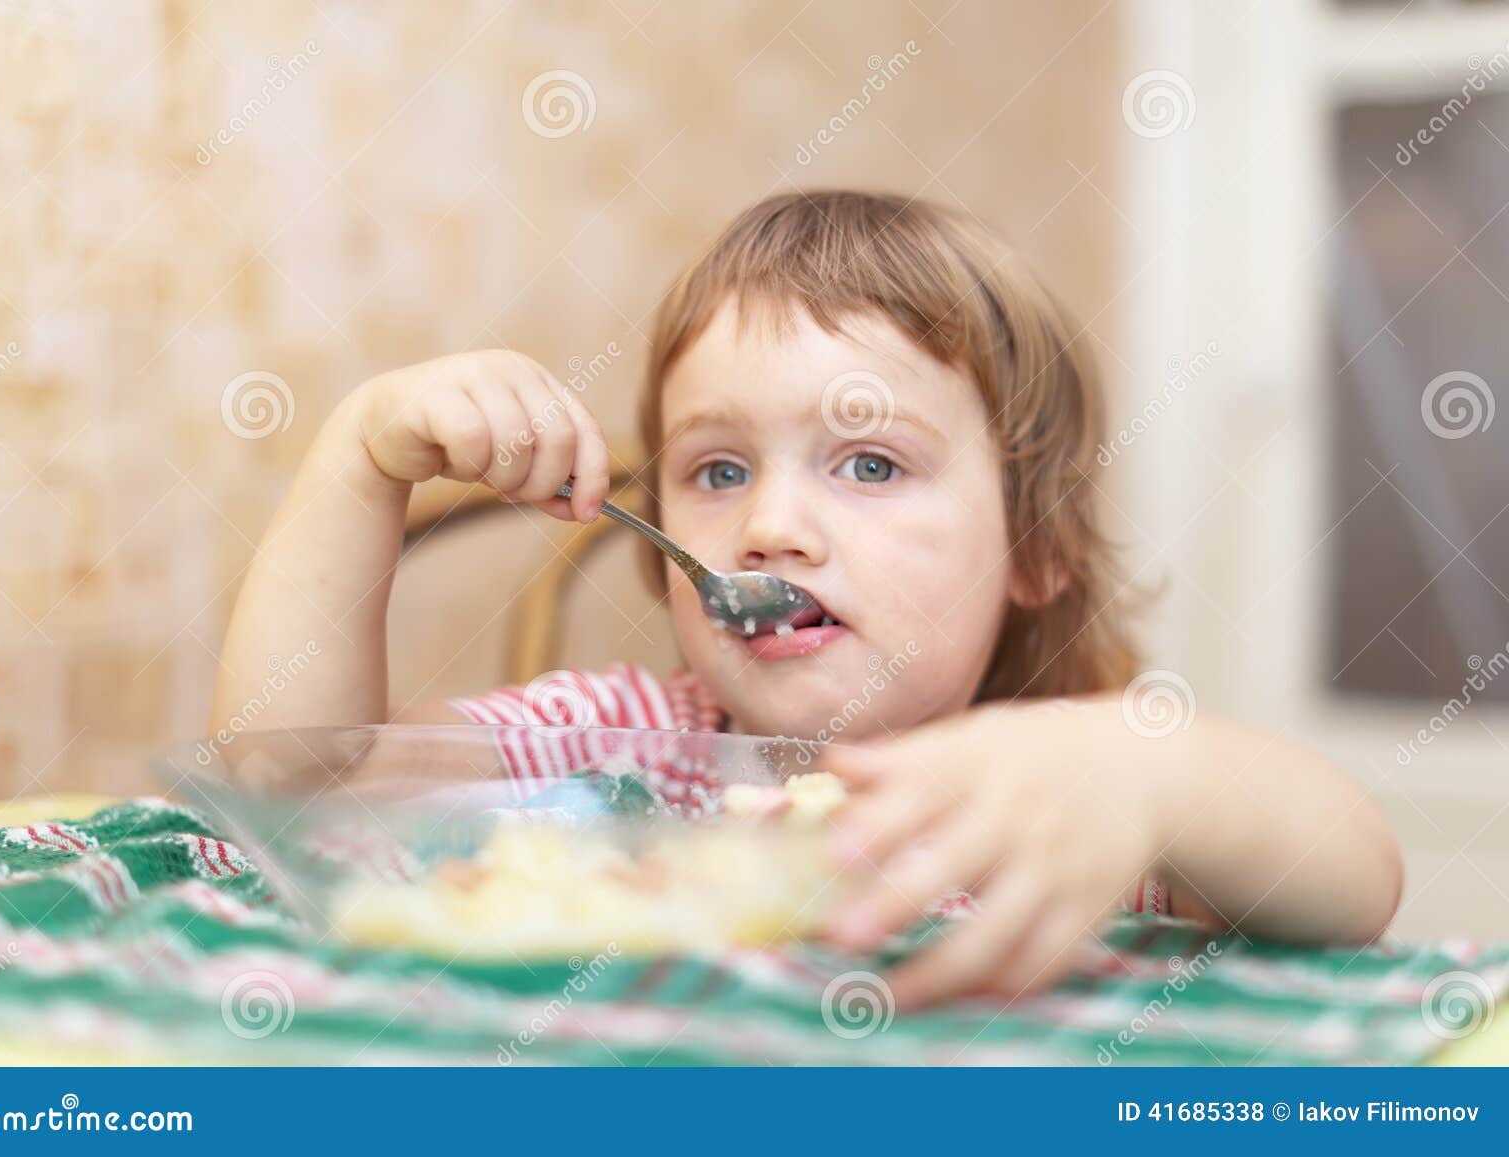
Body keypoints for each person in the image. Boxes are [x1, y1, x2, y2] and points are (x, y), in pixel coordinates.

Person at [212, 190, 1402, 1006]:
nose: (770, 524)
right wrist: (358, 466)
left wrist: (1143, 771)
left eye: (870, 464)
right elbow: (290, 775)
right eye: (717, 470)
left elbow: (1356, 881)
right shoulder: (629, 747)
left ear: (1033, 546)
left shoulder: (1060, 797)